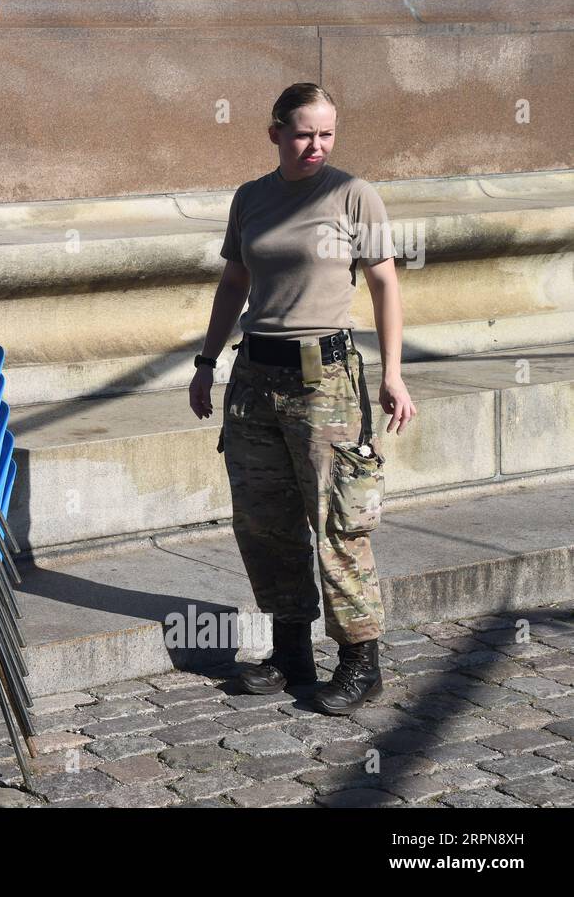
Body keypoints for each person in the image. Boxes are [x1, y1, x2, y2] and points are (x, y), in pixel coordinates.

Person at [189, 83, 417, 715]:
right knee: (263, 521)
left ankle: (360, 661)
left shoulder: (353, 195)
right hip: (254, 379)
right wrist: (206, 362)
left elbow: (383, 284)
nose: (315, 146)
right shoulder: (252, 198)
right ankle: (291, 652)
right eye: (302, 134)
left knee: (338, 521)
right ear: (275, 134)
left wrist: (393, 374)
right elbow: (234, 280)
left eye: (326, 134)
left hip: (326, 381)